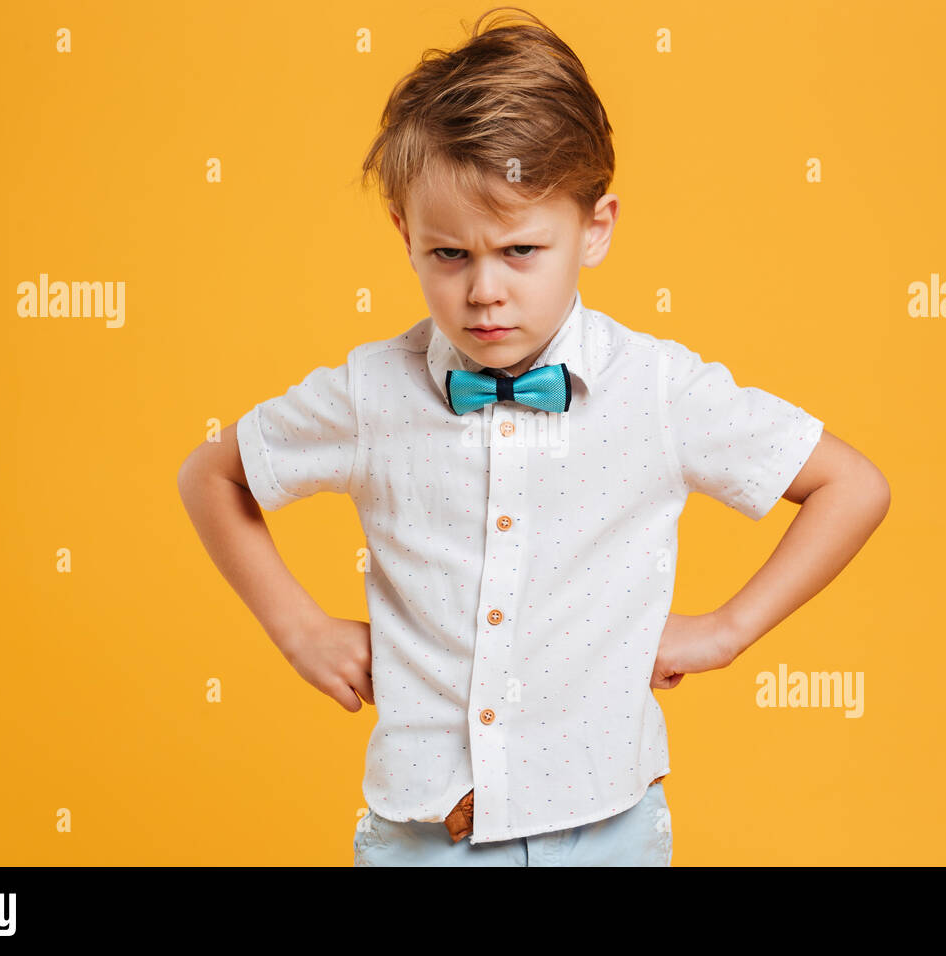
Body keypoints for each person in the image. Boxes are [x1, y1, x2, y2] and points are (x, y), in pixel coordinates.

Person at [177, 6, 890, 867]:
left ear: (595, 230)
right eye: (450, 255)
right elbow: (210, 476)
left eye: (520, 251)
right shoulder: (371, 393)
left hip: (608, 829)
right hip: (419, 837)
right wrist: (298, 629)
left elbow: (852, 485)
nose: (485, 292)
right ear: (405, 233)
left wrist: (727, 630)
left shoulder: (658, 390)